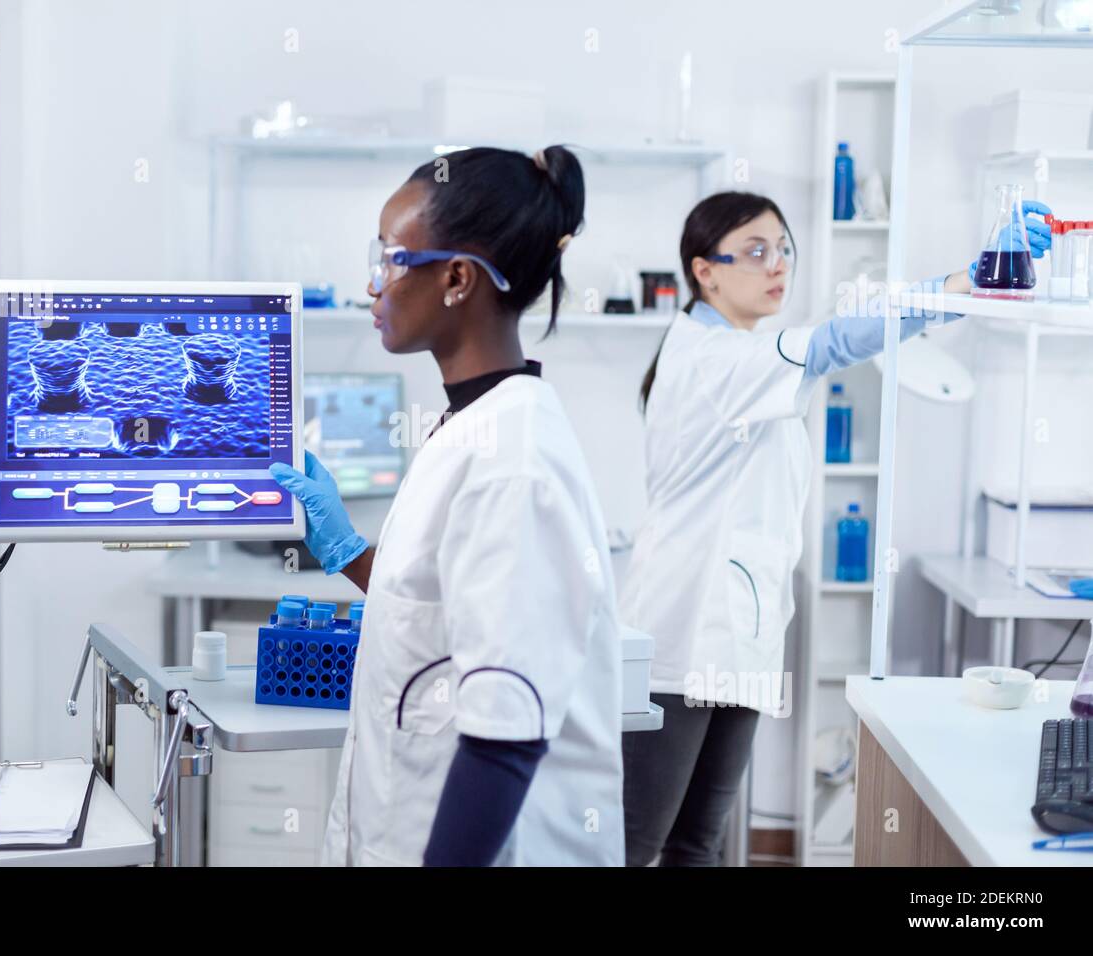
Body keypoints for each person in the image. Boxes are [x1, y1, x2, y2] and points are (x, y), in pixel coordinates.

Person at [618, 190, 1051, 867]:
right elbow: (836, 341)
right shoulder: (710, 359)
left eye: (784, 249)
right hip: (684, 629)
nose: (777, 265)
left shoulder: (746, 351)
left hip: (740, 629)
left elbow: (835, 332)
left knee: (698, 840)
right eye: (756, 251)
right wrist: (968, 281)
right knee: (634, 843)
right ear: (705, 271)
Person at [270, 145, 624, 866]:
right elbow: (446, 618)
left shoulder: (511, 465)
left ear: (458, 278)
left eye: (390, 259)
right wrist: (346, 551)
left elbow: (505, 744)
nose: (373, 285)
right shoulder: (473, 426)